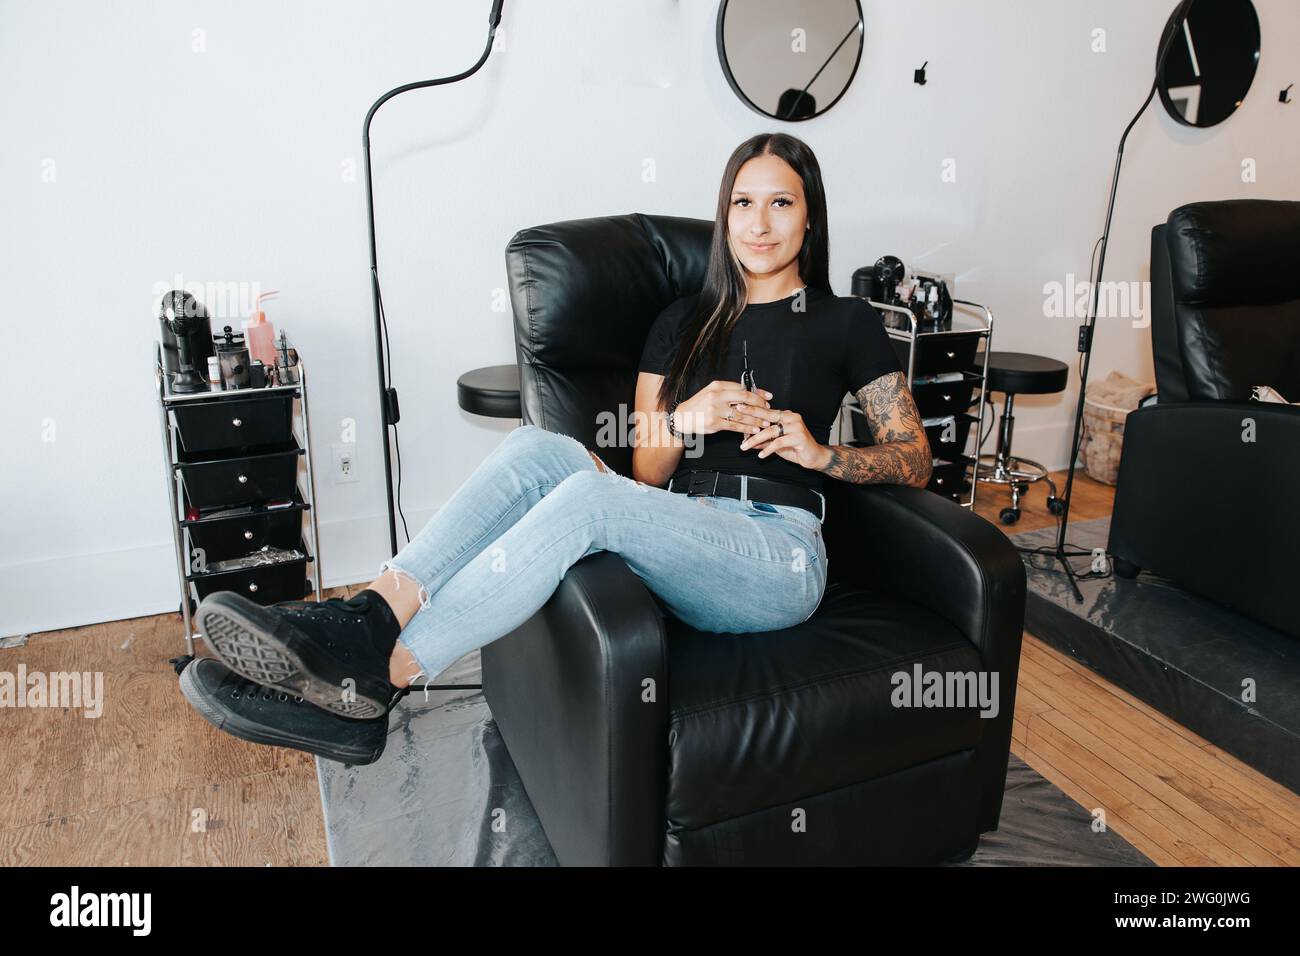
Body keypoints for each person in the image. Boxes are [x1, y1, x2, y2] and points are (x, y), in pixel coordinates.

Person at [178, 132, 931, 765]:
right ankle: (375, 615)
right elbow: (646, 470)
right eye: (743, 202)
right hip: (687, 527)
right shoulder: (681, 322)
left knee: (590, 499)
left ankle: (383, 679)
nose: (758, 223)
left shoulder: (847, 322)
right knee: (540, 450)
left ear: (810, 218)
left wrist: (822, 454)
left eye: (781, 202)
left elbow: (914, 456)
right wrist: (688, 419)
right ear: (724, 215)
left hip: (779, 554)